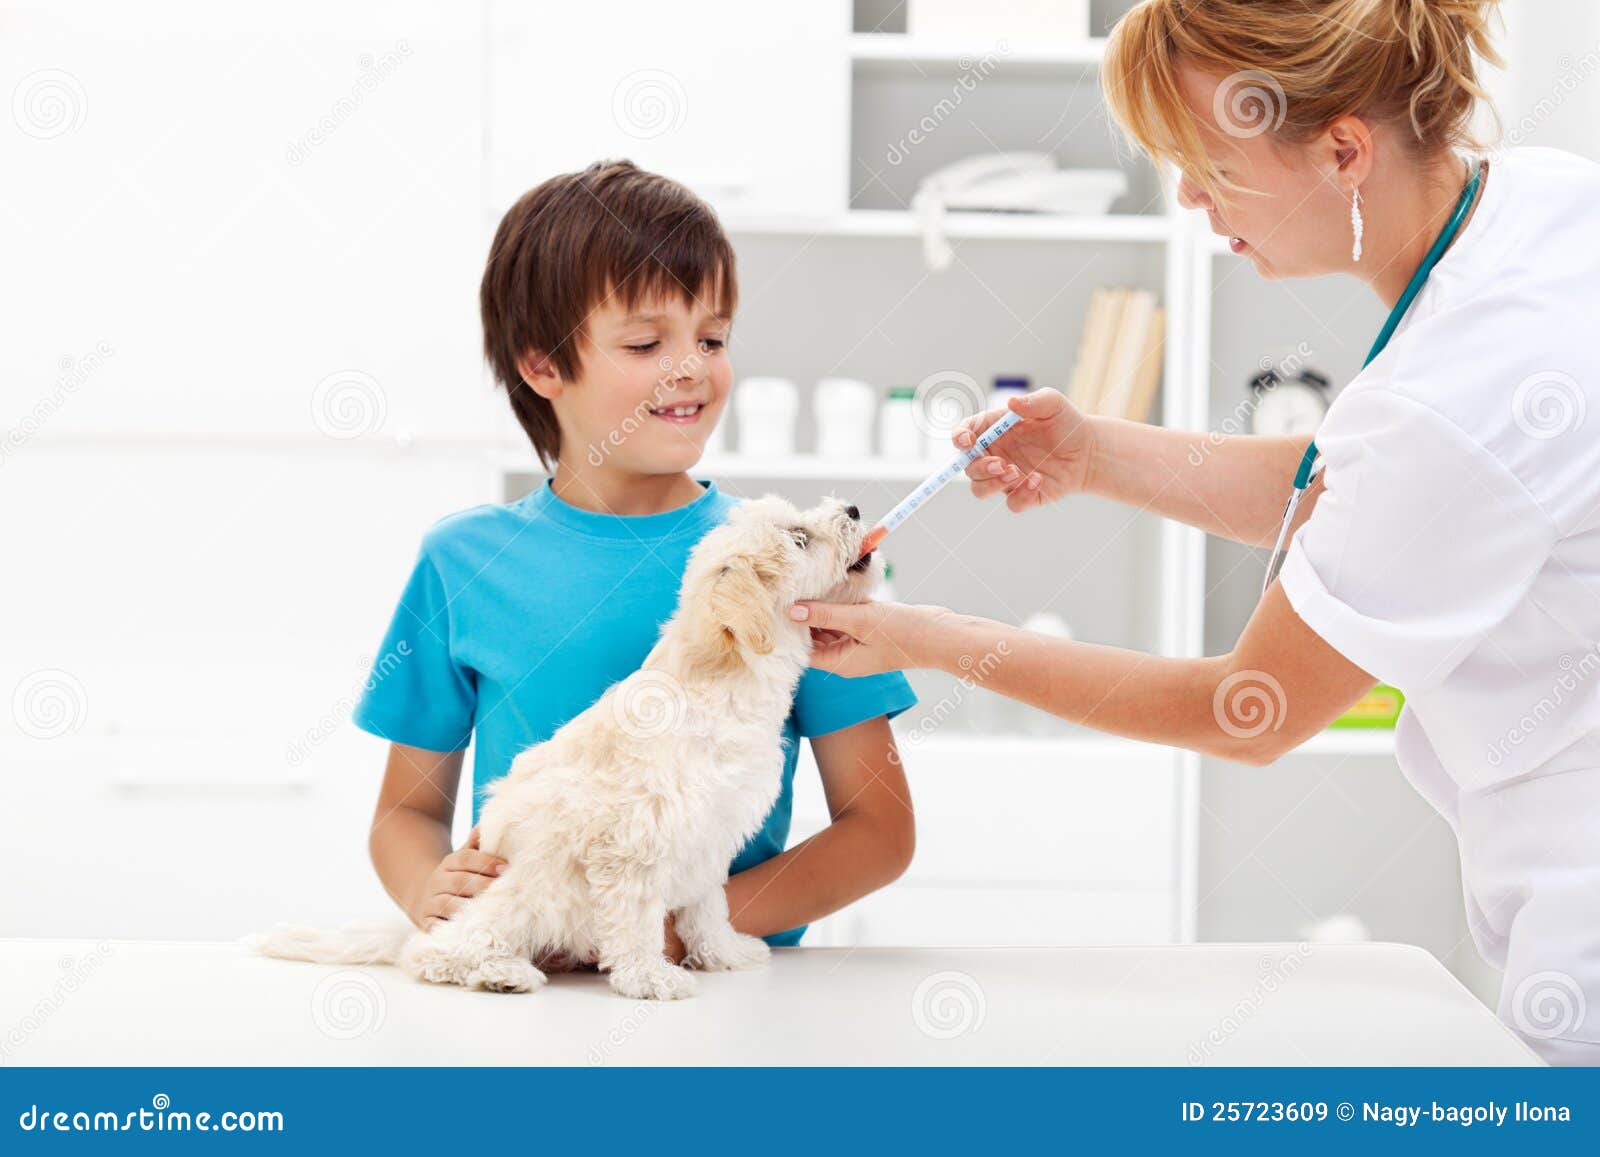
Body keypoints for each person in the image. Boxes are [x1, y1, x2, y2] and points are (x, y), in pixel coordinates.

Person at [791, 0, 1600, 1064]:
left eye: (1212, 164)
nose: (1186, 196)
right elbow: (1360, 486)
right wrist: (1093, 454)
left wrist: (928, 638)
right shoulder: (1544, 197)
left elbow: (1244, 709)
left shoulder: (1452, 403)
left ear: (1343, 150)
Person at [355, 160, 917, 960]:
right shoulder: (465, 561)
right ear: (543, 364)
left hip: (725, 997)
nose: (692, 367)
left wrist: (679, 930)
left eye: (712, 338)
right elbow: (404, 813)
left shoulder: (785, 567)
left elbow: (879, 830)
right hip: (529, 998)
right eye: (648, 342)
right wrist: (427, 890)